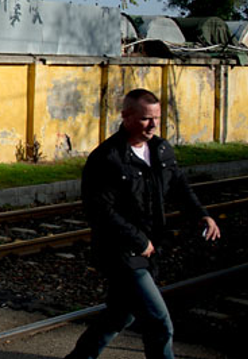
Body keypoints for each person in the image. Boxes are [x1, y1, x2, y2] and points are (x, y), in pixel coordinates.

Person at [64, 89, 221, 359]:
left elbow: (180, 186)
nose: (154, 124)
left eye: (157, 118)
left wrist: (201, 214)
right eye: (147, 119)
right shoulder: (107, 159)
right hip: (121, 253)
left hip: (149, 250)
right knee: (160, 322)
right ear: (126, 116)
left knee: (119, 316)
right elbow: (99, 211)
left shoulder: (160, 149)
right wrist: (138, 240)